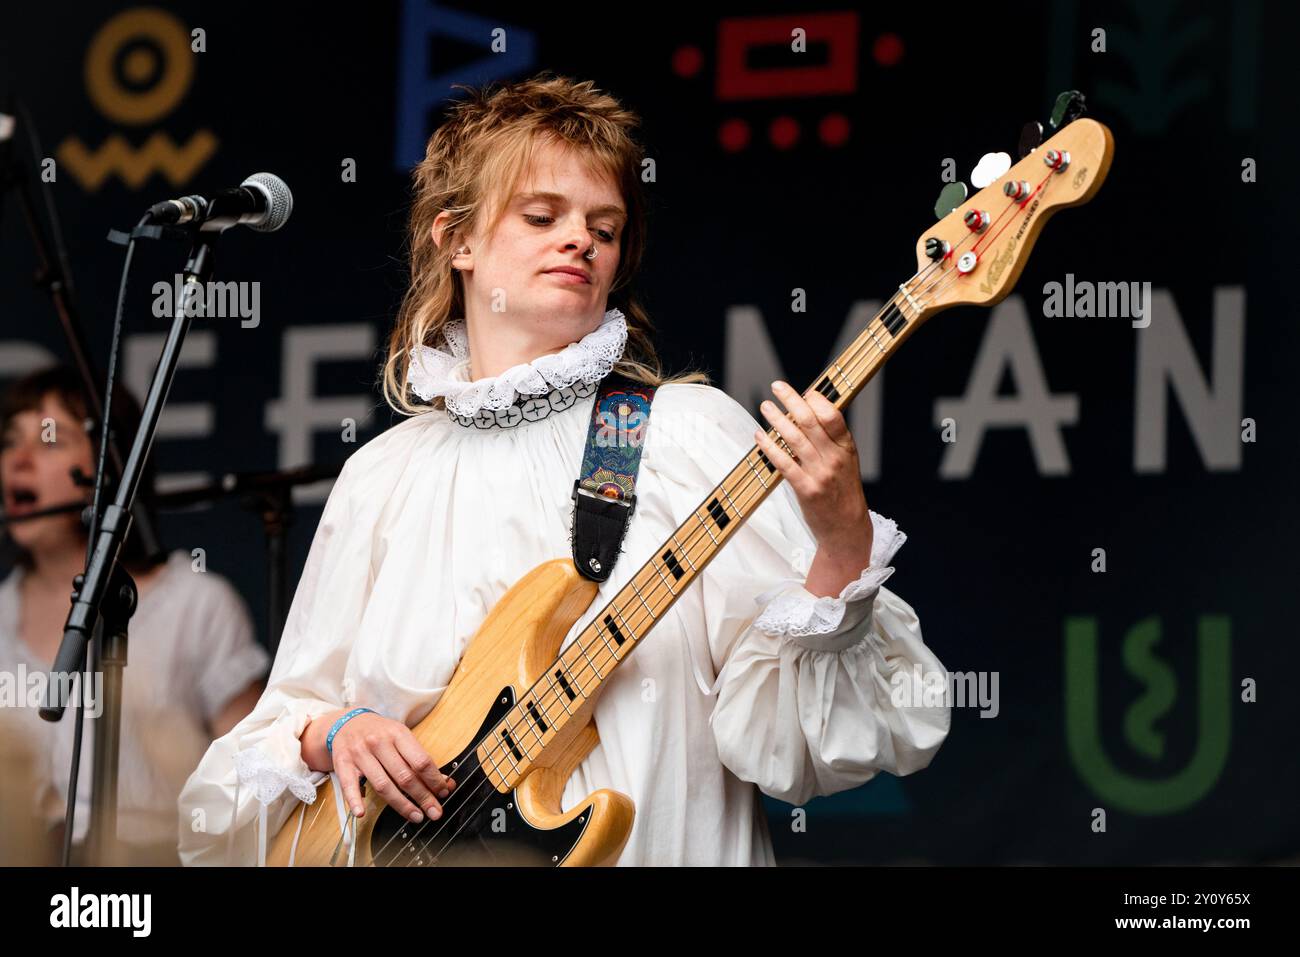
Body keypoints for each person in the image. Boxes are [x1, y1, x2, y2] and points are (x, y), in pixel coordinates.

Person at [178, 73, 951, 866]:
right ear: (458, 240)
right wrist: (331, 732)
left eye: (605, 227)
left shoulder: (685, 434)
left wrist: (840, 547)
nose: (580, 239)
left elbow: (797, 747)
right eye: (542, 215)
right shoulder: (381, 476)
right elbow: (277, 731)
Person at [0, 365, 268, 864]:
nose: (19, 461)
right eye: (10, 442)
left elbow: (253, 784)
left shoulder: (197, 604)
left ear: (109, 468)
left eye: (48, 442)